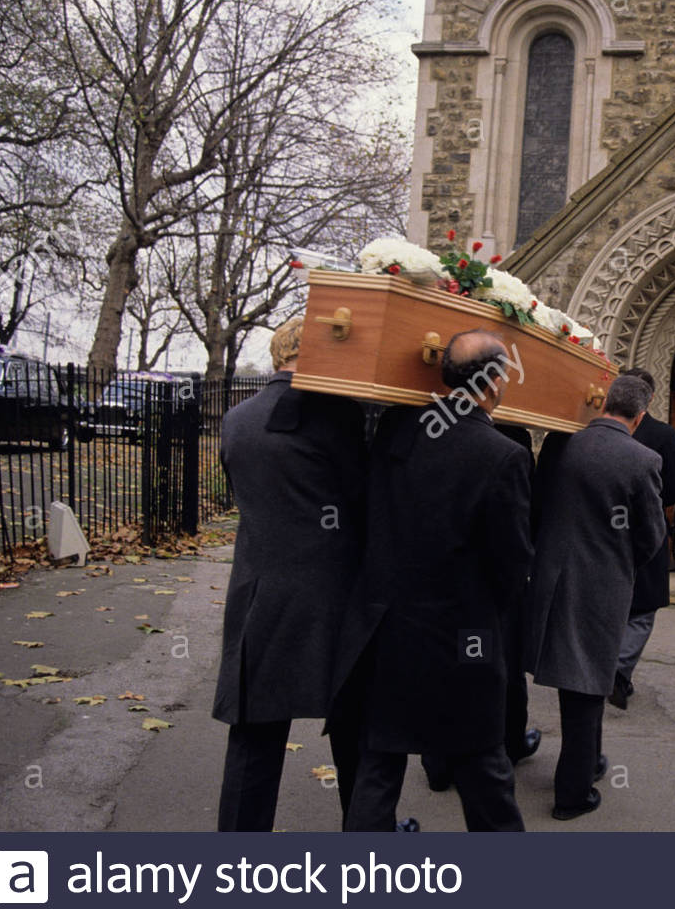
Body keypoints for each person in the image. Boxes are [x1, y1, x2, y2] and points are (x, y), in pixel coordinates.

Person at [338, 329, 533, 832]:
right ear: (492, 383)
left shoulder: (396, 431)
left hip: (386, 626)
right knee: (483, 769)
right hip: (461, 637)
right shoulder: (502, 455)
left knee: (379, 764)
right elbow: (510, 562)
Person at [212, 317, 366, 832]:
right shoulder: (340, 414)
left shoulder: (236, 418)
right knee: (354, 732)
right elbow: (362, 498)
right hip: (334, 594)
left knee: (255, 732)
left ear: (277, 358)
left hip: (260, 590)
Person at [526, 375, 666, 819]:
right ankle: (572, 793)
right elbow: (651, 535)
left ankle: (589, 763)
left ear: (604, 404)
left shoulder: (560, 443)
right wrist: (618, 561)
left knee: (575, 682)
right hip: (600, 585)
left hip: (550, 579)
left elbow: (537, 506)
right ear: (639, 416)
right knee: (586, 688)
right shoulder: (643, 459)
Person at [421, 422, 542, 792]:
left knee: (442, 671)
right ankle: (505, 747)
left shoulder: (430, 430)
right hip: (488, 586)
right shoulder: (514, 441)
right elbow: (520, 521)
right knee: (501, 671)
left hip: (436, 577)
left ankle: (438, 763)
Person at [610, 367, 675, 709]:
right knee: (642, 610)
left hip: (604, 530)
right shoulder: (662, 433)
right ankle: (619, 673)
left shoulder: (596, 432)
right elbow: (672, 491)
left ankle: (605, 669)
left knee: (612, 604)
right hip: (645, 530)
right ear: (650, 398)